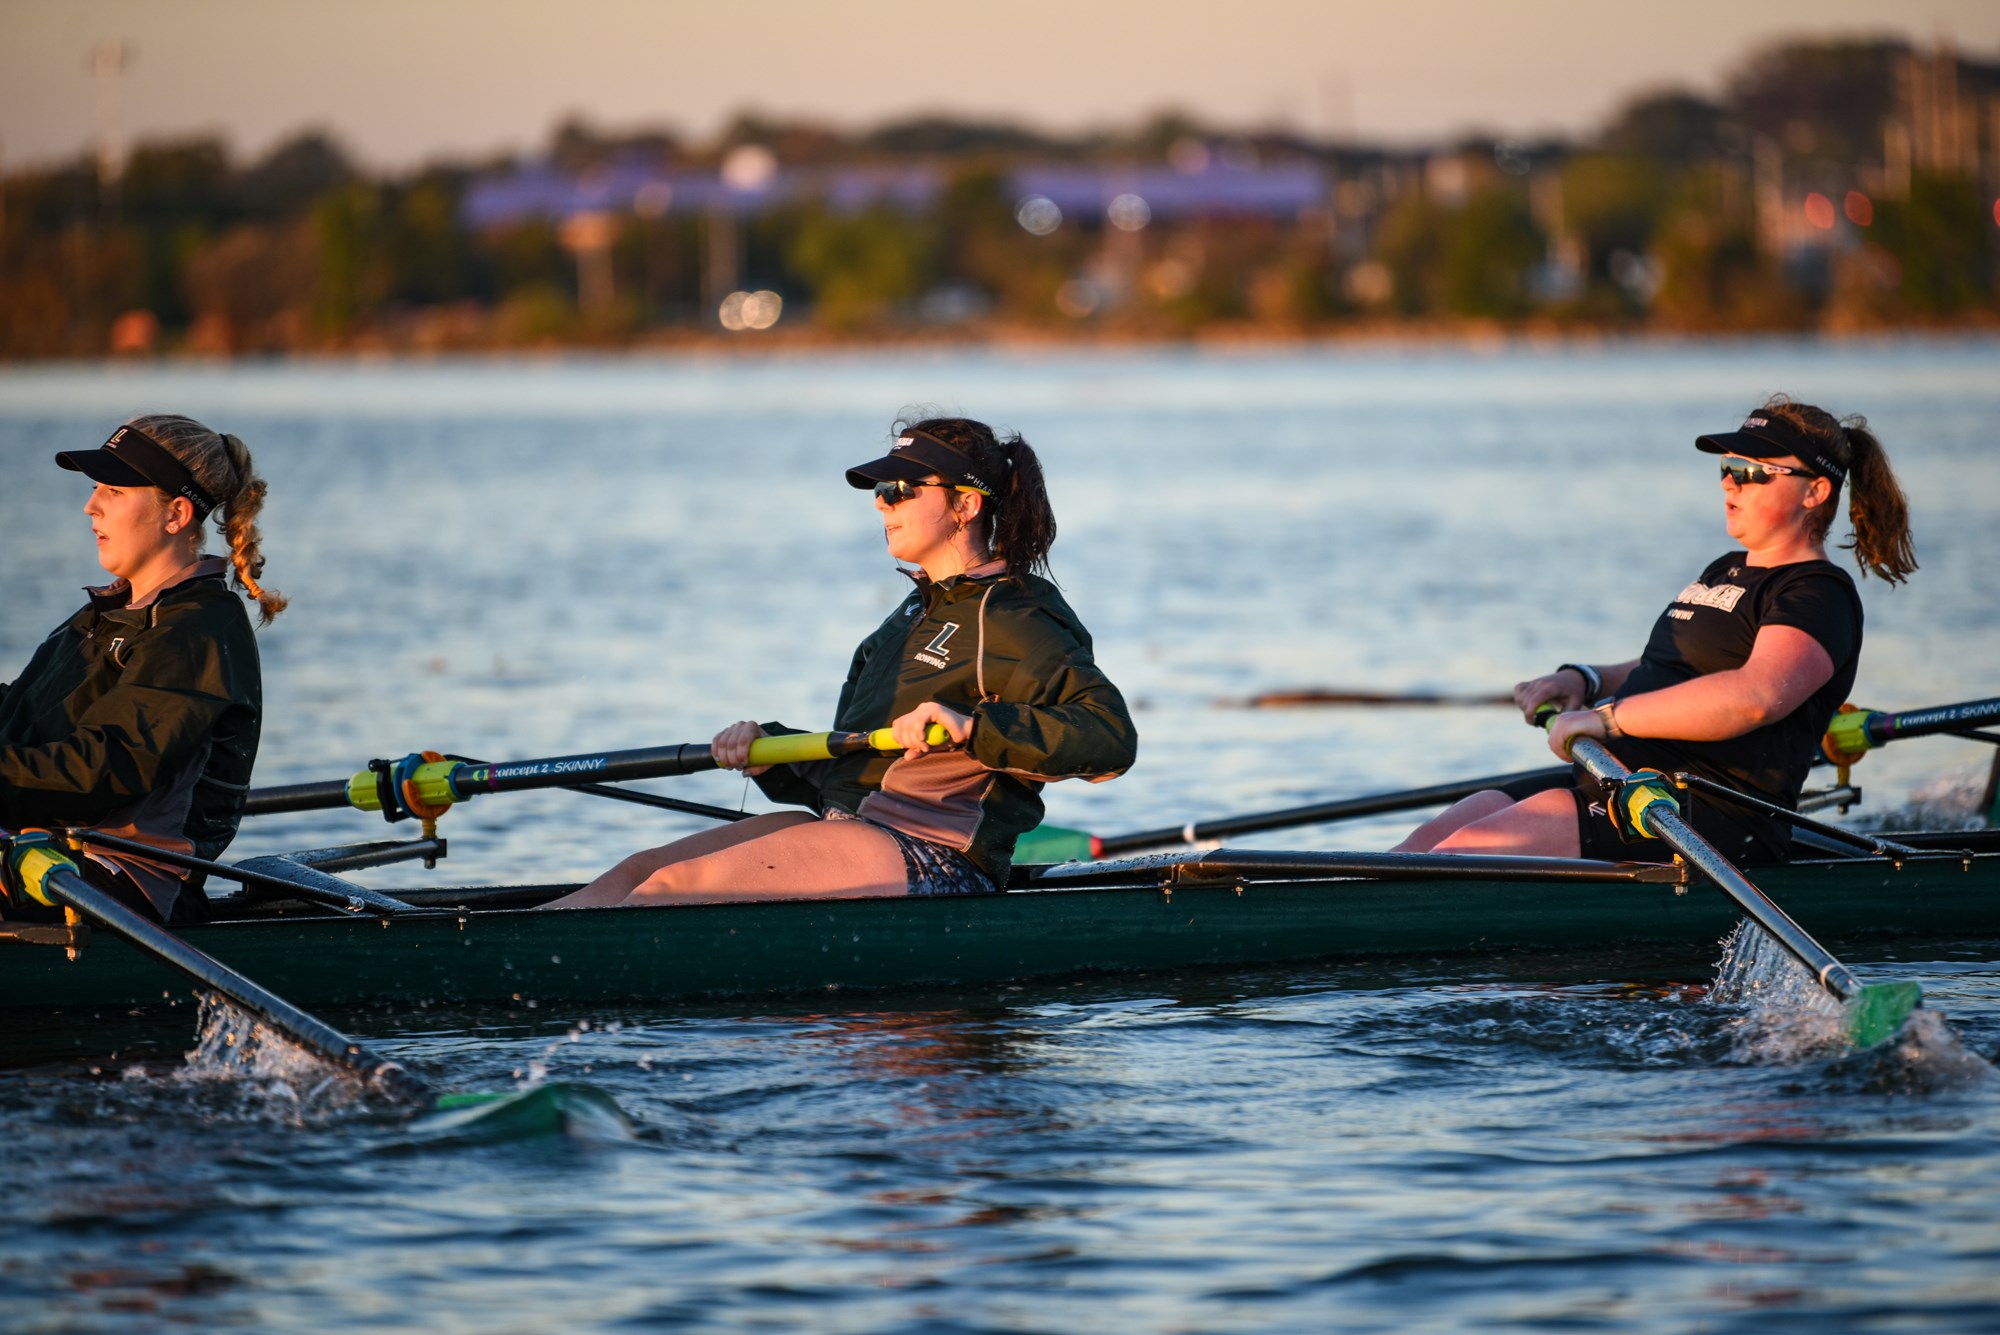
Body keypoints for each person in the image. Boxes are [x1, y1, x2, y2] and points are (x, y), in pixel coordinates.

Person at [550, 416, 1137, 907]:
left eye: (903, 489)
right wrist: (771, 753)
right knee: (636, 875)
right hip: (852, 831)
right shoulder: (903, 623)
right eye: (880, 490)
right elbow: (853, 772)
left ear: (965, 504)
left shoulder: (1014, 615)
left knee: (673, 889)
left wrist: (971, 727)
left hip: (936, 857)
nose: (883, 502)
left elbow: (1110, 738)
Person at [1394, 396, 1915, 866]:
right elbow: (1671, 673)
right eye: (1728, 467)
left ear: (1815, 491)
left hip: (1711, 813)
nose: (1729, 483)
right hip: (1626, 782)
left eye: (1752, 471)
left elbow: (1755, 697)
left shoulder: (1818, 595)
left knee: (1461, 853)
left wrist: (1606, 721)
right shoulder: (1726, 569)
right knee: (1419, 848)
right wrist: (1587, 680)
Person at [1, 416, 284, 923]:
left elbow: (101, 770)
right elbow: (19, 714)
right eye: (95, 488)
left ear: (176, 514)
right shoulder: (107, 614)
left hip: (120, 884)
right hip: (45, 851)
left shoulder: (198, 629)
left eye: (114, 490)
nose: (91, 506)